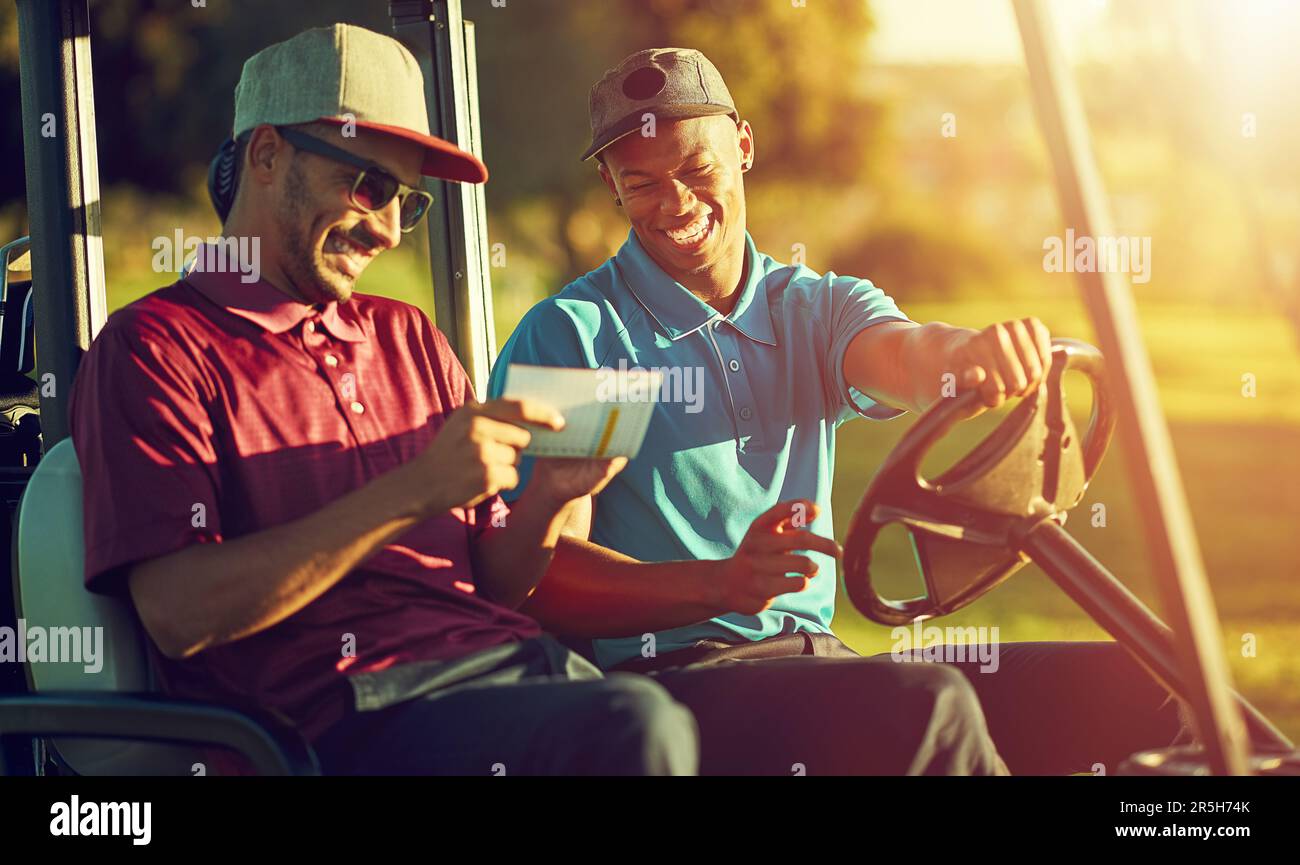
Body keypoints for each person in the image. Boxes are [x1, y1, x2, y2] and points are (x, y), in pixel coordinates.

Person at [488, 47, 1187, 775]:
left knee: (1154, 678)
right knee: (928, 702)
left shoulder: (813, 308)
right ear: (610, 185)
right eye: (642, 183)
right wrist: (721, 583)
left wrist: (970, 354)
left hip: (817, 660)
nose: (677, 204)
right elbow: (545, 580)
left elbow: (909, 355)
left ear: (744, 146)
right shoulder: (583, 334)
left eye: (698, 171)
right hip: (679, 686)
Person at [69, 24, 704, 777]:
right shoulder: (156, 347)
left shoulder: (409, 337)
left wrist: (546, 502)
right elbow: (180, 614)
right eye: (368, 186)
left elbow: (497, 579)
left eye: (407, 203)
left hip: (505, 671)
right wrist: (409, 492)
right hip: (329, 729)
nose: (388, 231)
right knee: (632, 724)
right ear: (267, 155)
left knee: (687, 718)